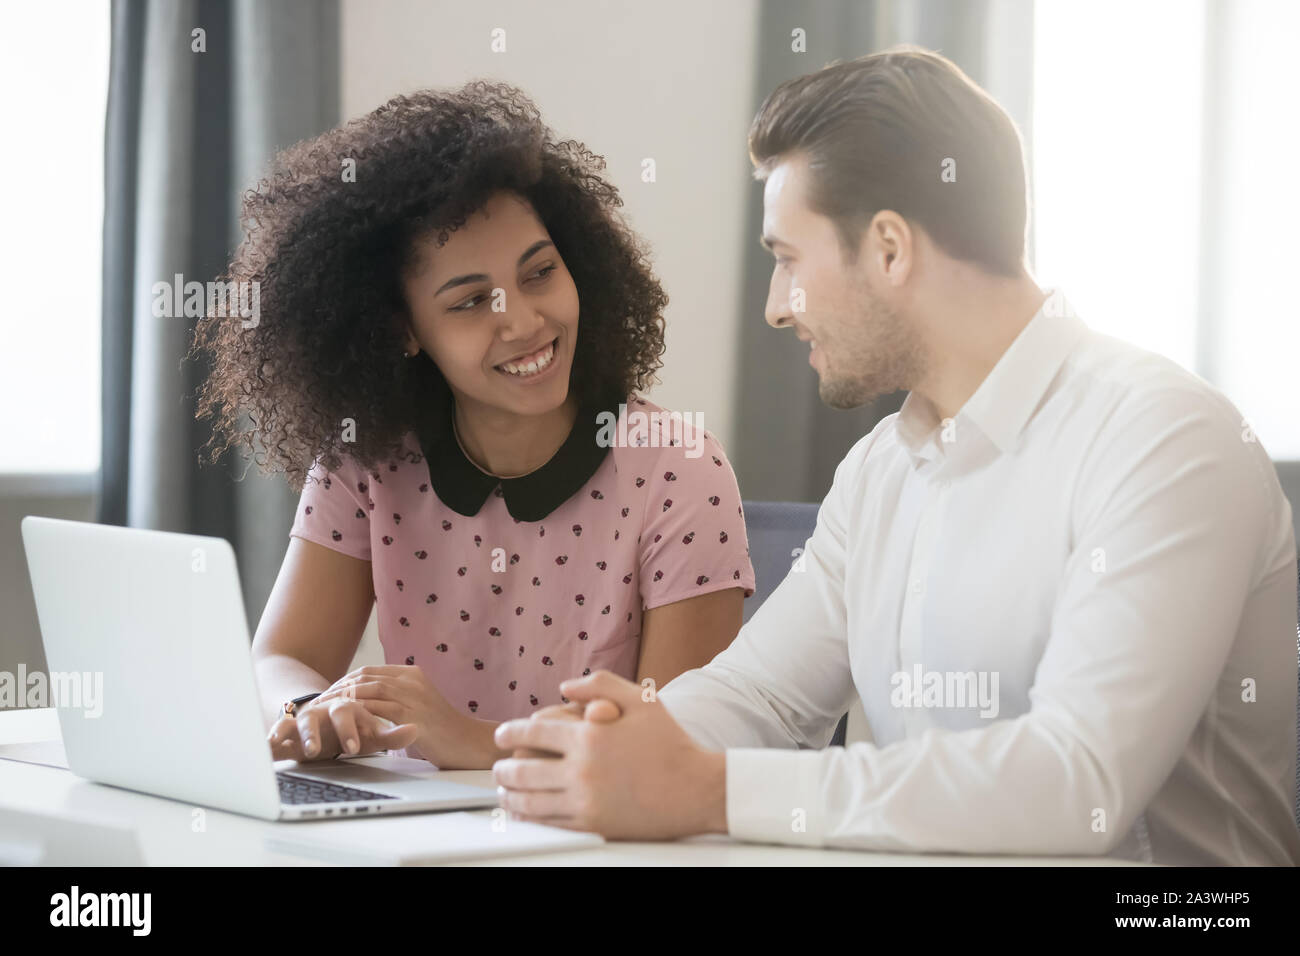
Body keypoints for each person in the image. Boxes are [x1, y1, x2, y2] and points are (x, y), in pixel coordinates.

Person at [491, 46, 1300, 865]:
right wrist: (608, 746)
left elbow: (1075, 782)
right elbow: (761, 693)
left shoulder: (1164, 439)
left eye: (787, 260)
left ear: (888, 248)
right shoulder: (882, 467)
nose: (775, 308)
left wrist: (706, 790)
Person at [188, 81, 756, 771]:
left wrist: (470, 740)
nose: (522, 322)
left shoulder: (677, 468)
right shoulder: (365, 460)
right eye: (468, 304)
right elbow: (281, 658)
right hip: (417, 833)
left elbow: (678, 748)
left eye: (540, 273)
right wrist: (310, 713)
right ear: (402, 331)